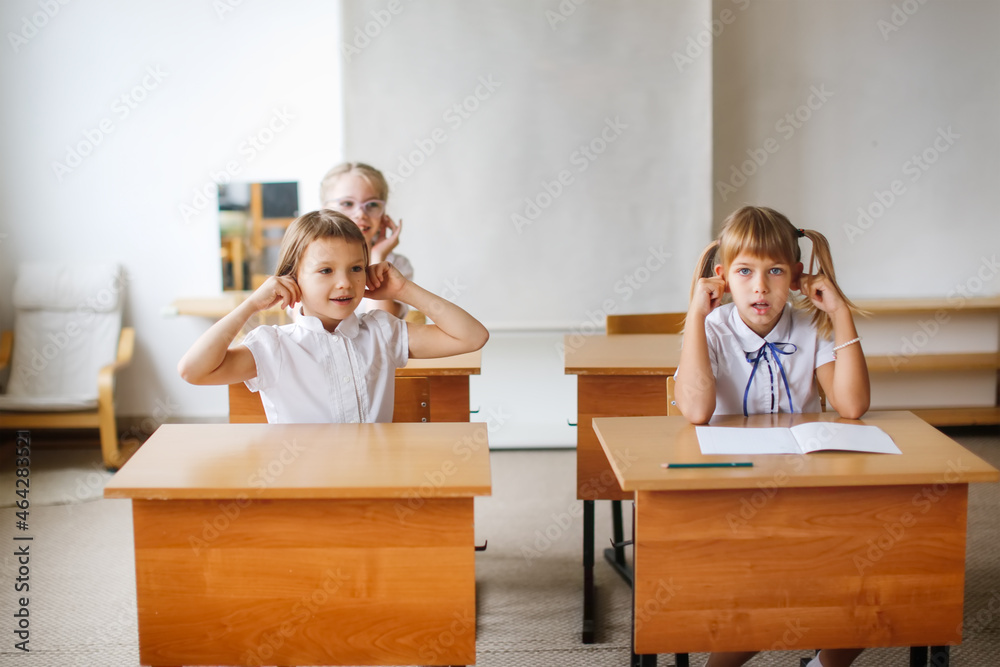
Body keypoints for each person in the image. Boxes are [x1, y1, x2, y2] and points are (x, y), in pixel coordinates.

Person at [674, 205, 870, 667]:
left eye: (775, 271)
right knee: (762, 587)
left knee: (867, 577)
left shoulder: (810, 326)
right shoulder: (715, 331)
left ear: (798, 277)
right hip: (729, 487)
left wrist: (840, 312)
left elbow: (852, 405)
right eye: (745, 271)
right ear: (723, 278)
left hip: (805, 486)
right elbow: (697, 410)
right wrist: (695, 317)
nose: (760, 287)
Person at [178, 209, 488, 424]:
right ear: (291, 278)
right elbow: (193, 371)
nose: (344, 282)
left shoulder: (381, 332)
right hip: (305, 490)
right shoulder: (274, 346)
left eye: (355, 268)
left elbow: (473, 336)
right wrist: (250, 305)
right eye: (325, 270)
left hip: (376, 483)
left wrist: (403, 289)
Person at [319, 162, 412, 318]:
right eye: (347, 203)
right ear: (324, 210)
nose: (361, 214)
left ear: (383, 214)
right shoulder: (306, 262)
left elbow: (382, 332)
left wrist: (377, 258)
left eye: (372, 204)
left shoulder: (396, 266)